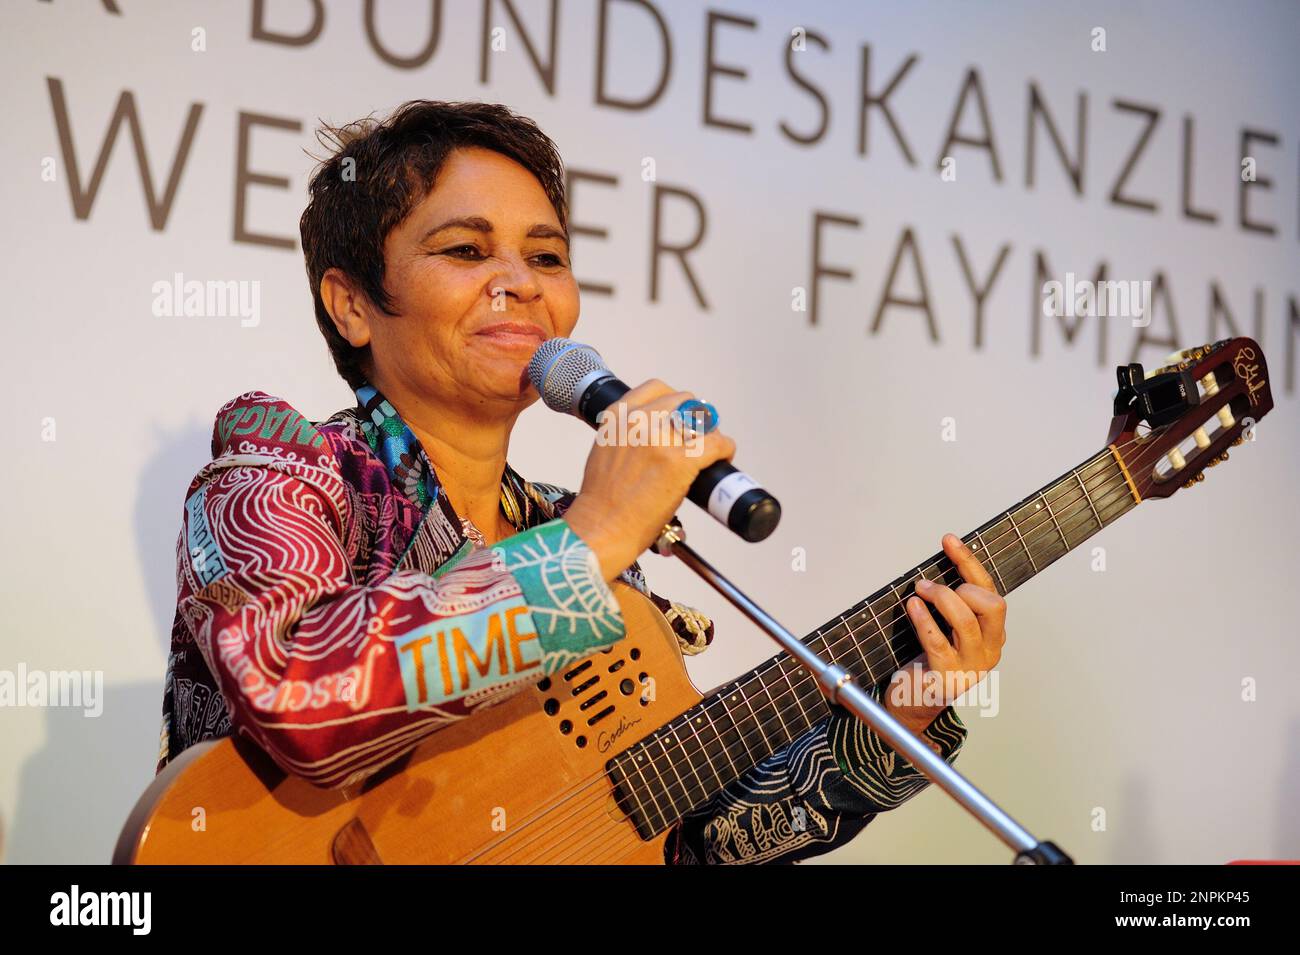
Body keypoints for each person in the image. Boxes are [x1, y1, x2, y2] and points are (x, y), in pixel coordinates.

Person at [157, 100, 1008, 864]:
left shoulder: (577, 534)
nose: (521, 282)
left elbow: (688, 843)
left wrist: (910, 708)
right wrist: (597, 535)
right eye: (465, 249)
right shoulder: (284, 463)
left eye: (547, 256)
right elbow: (296, 690)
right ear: (351, 304)